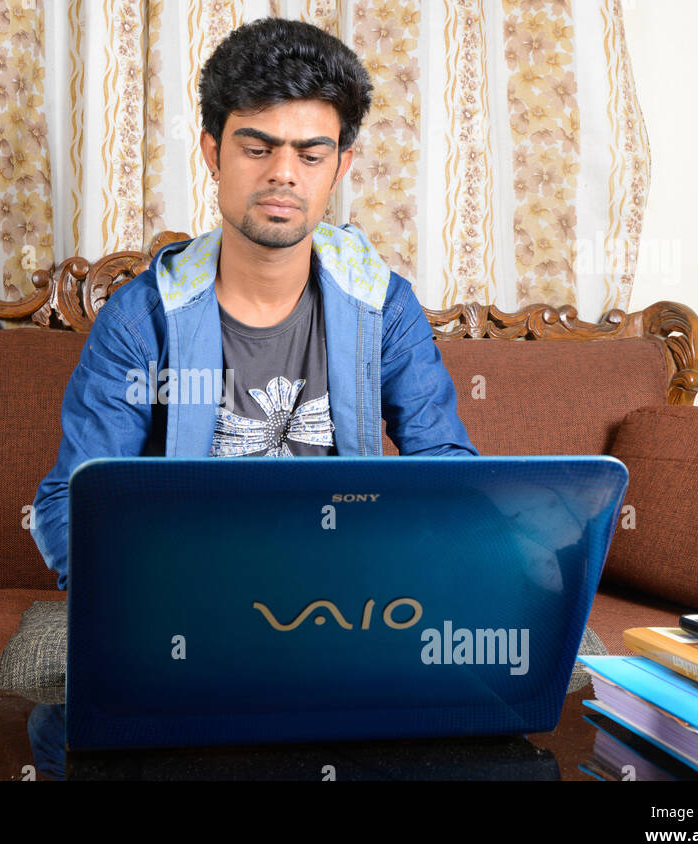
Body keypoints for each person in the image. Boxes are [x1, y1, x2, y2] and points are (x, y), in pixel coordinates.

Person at [31, 17, 478, 591]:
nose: (283, 174)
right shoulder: (141, 320)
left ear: (340, 166)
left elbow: (446, 469)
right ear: (213, 153)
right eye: (258, 148)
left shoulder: (382, 307)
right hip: (192, 593)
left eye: (311, 156)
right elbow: (71, 498)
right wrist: (150, 596)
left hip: (344, 592)